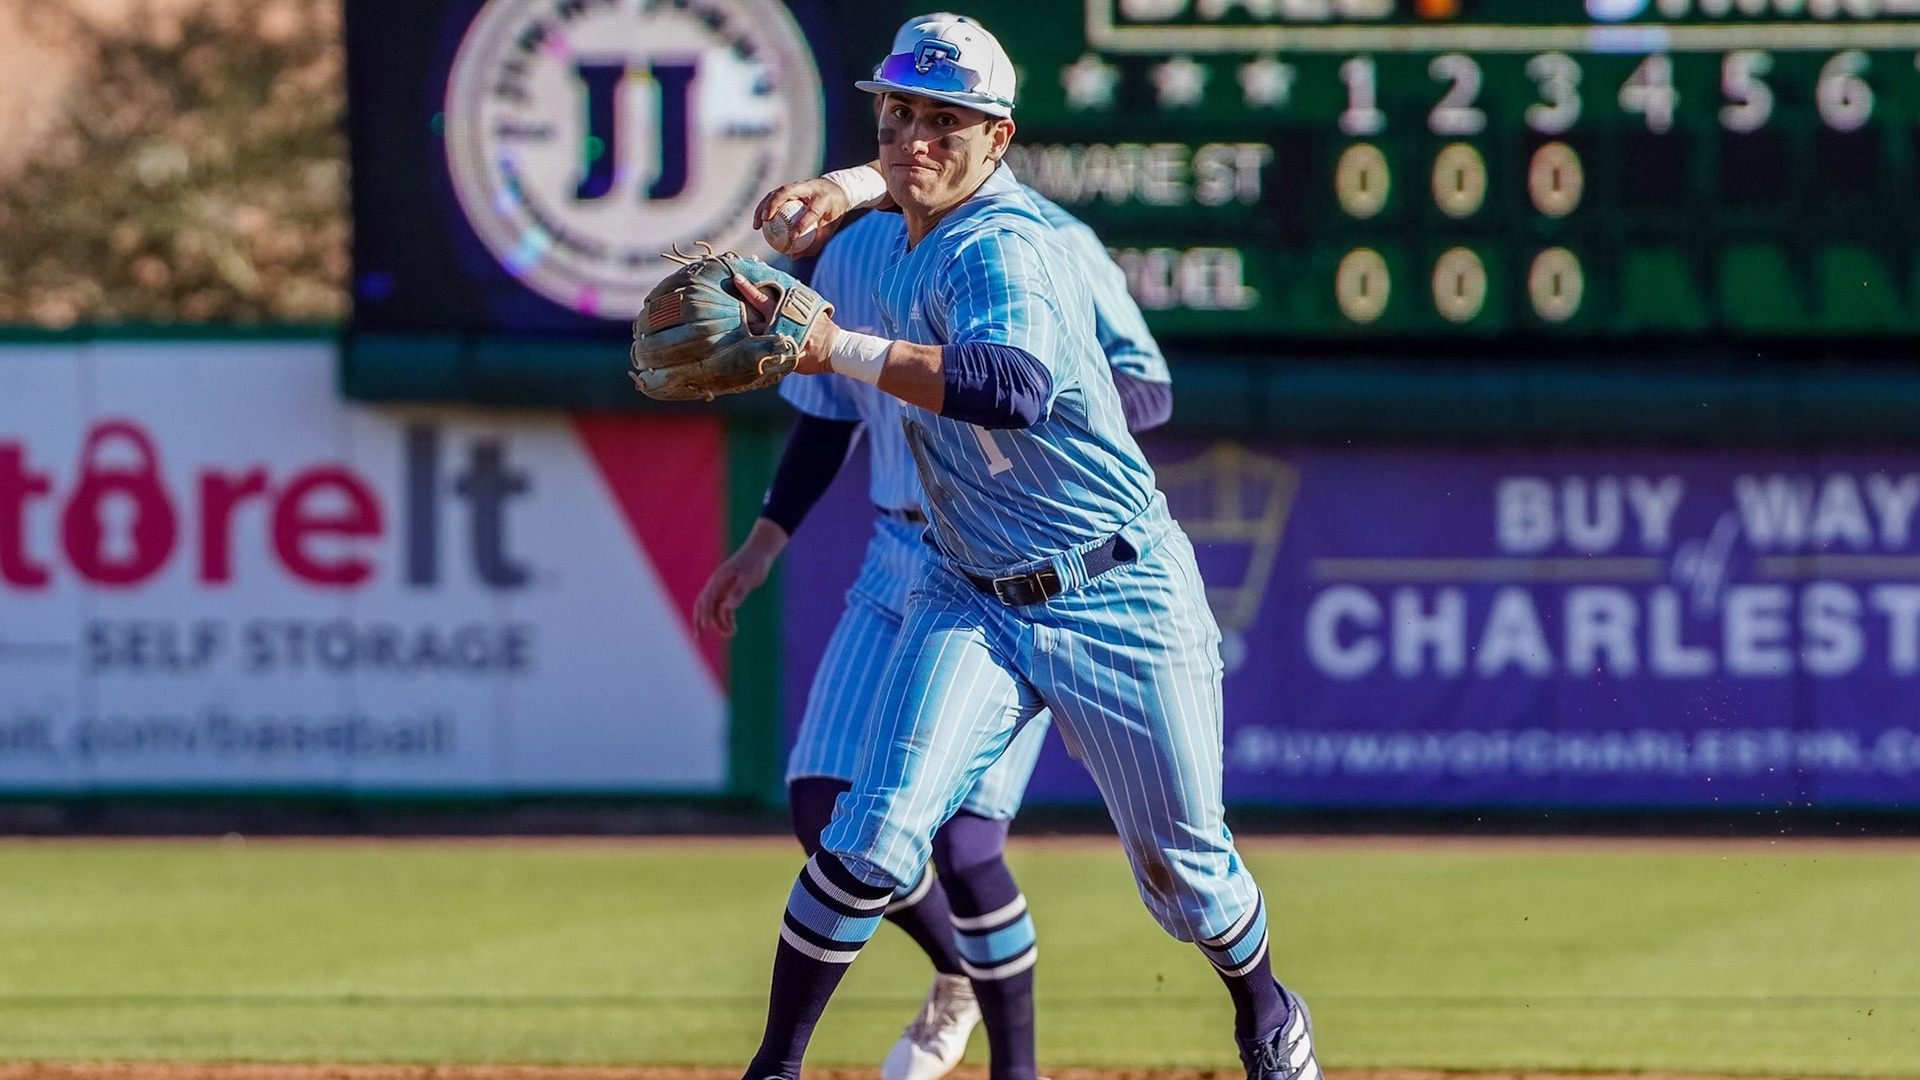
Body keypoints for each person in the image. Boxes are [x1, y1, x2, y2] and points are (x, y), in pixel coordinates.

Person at [726, 16, 1322, 1080]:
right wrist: (845, 192)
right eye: (898, 113)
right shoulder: (884, 229)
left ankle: (1266, 1005)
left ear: (998, 140)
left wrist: (837, 345)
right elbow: (906, 179)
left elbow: (1015, 387)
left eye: (946, 121)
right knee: (870, 832)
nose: (916, 136)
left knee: (1193, 880)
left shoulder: (1008, 241)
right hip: (970, 591)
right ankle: (774, 1067)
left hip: (1115, 589)